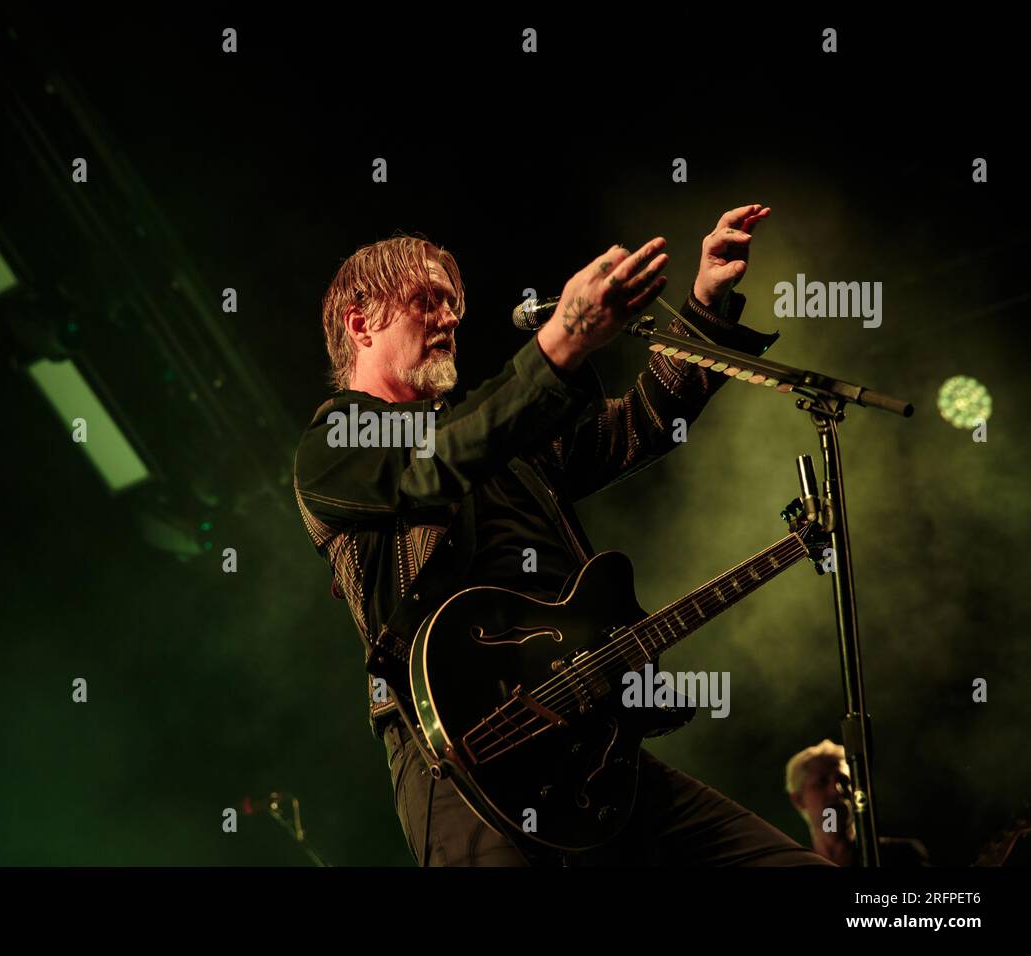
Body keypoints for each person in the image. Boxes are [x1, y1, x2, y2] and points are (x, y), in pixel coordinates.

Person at [294, 207, 831, 866]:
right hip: (463, 758)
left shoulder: (505, 443)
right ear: (359, 321)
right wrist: (563, 343)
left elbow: (639, 425)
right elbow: (435, 464)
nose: (450, 319)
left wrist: (705, 308)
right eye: (427, 302)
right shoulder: (337, 445)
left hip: (584, 743)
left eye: (455, 305)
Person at [786, 739, 929, 866]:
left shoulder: (902, 857)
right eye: (821, 782)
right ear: (798, 800)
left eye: (844, 781)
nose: (836, 790)